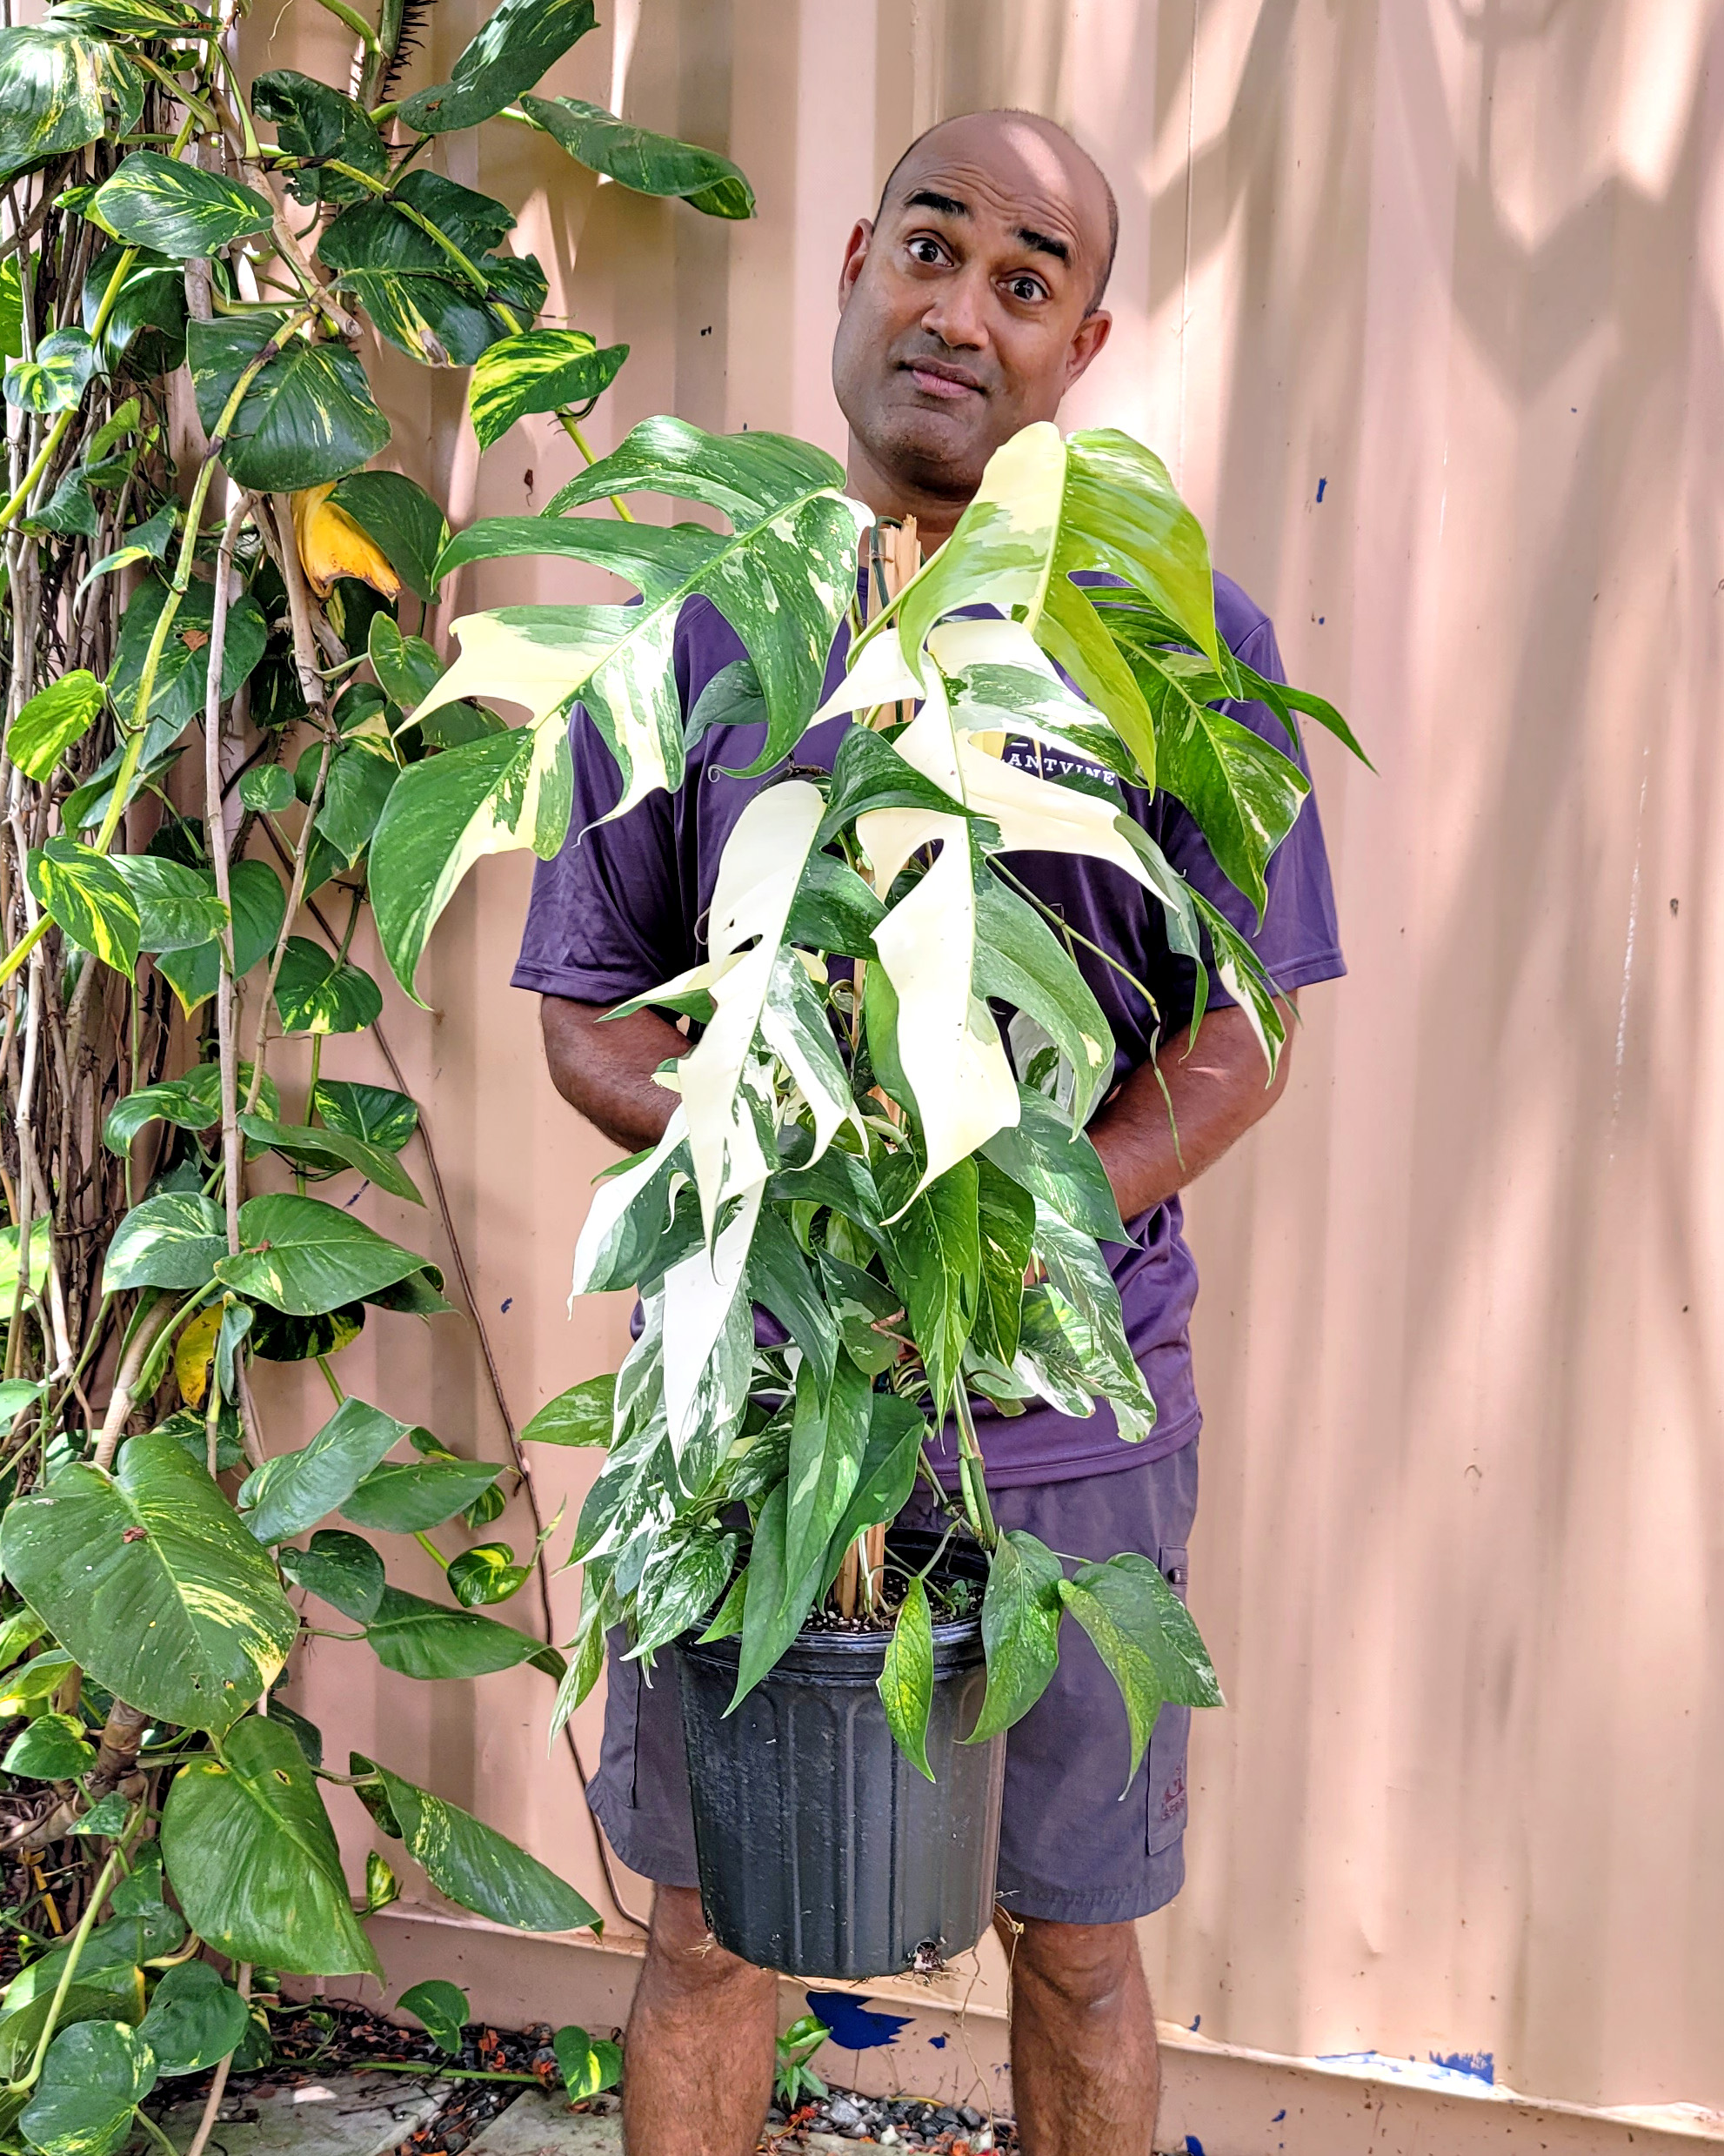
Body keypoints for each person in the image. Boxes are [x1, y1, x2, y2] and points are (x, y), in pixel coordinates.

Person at [513, 108, 1345, 2156]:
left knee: (1075, 1940)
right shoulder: (701, 620)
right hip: (755, 1402)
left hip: (1058, 1414)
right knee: (710, 1931)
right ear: (853, 267)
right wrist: (797, 1186)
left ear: (1088, 344)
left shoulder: (1165, 640)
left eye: (1025, 279)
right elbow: (582, 1011)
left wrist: (1016, 1227)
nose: (959, 310)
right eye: (927, 248)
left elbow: (1239, 1039)